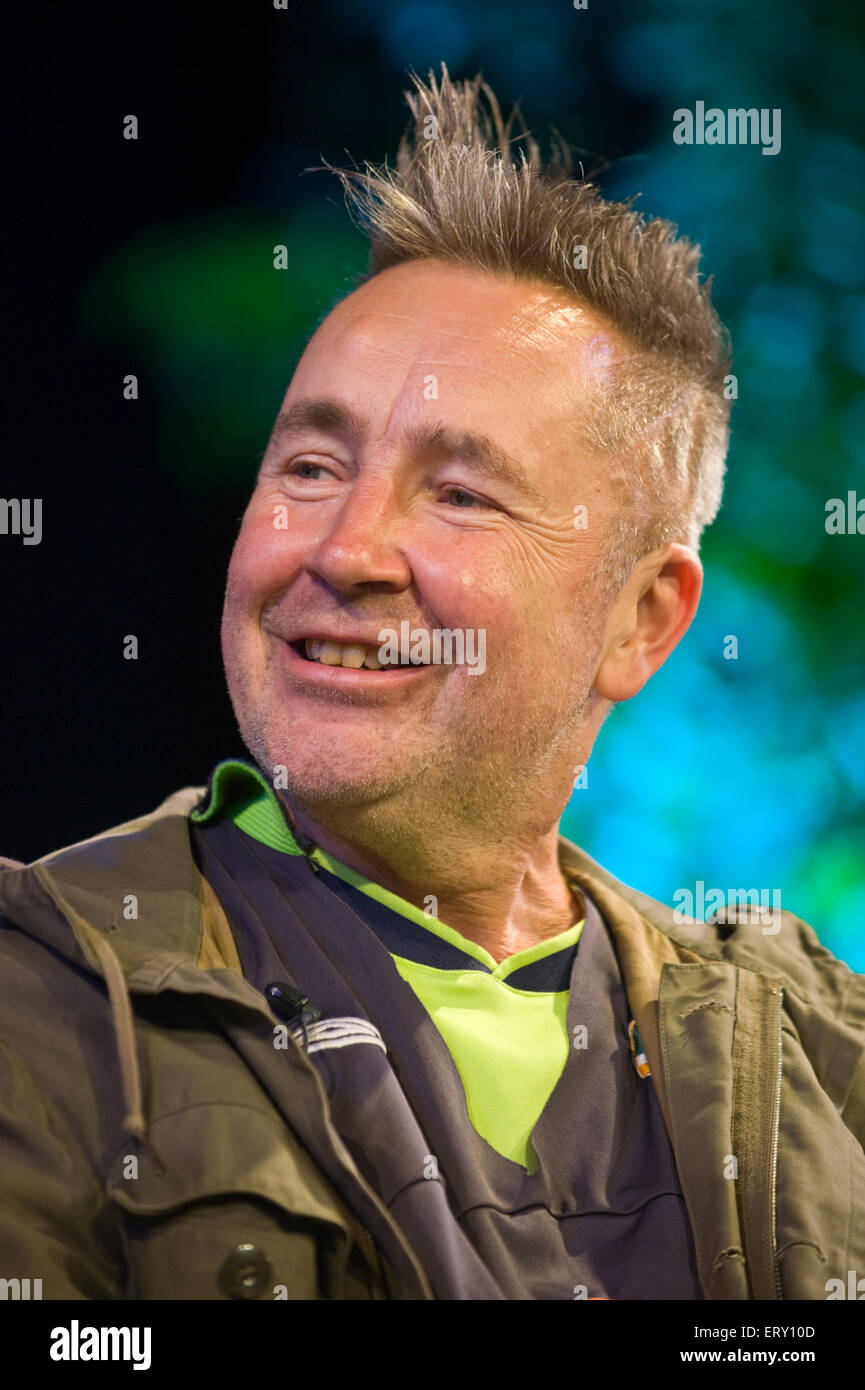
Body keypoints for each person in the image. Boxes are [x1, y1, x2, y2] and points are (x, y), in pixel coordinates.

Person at [1, 65, 863, 1303]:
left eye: (459, 494)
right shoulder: (40, 992)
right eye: (308, 464)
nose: (341, 551)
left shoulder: (823, 1056)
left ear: (641, 620)